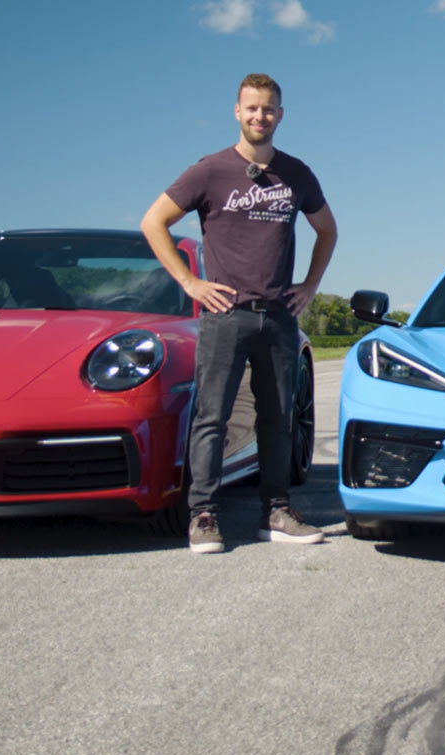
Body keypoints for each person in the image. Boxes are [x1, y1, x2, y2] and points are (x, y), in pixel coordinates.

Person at [143, 73, 338, 553]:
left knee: (278, 420)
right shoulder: (210, 171)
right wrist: (190, 282)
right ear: (236, 111)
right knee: (212, 417)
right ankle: (204, 515)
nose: (260, 116)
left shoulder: (297, 174)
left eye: (268, 109)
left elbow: (328, 230)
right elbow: (154, 222)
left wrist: (309, 287)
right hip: (225, 314)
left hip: (277, 318)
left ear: (281, 115)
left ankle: (275, 512)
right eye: (251, 108)